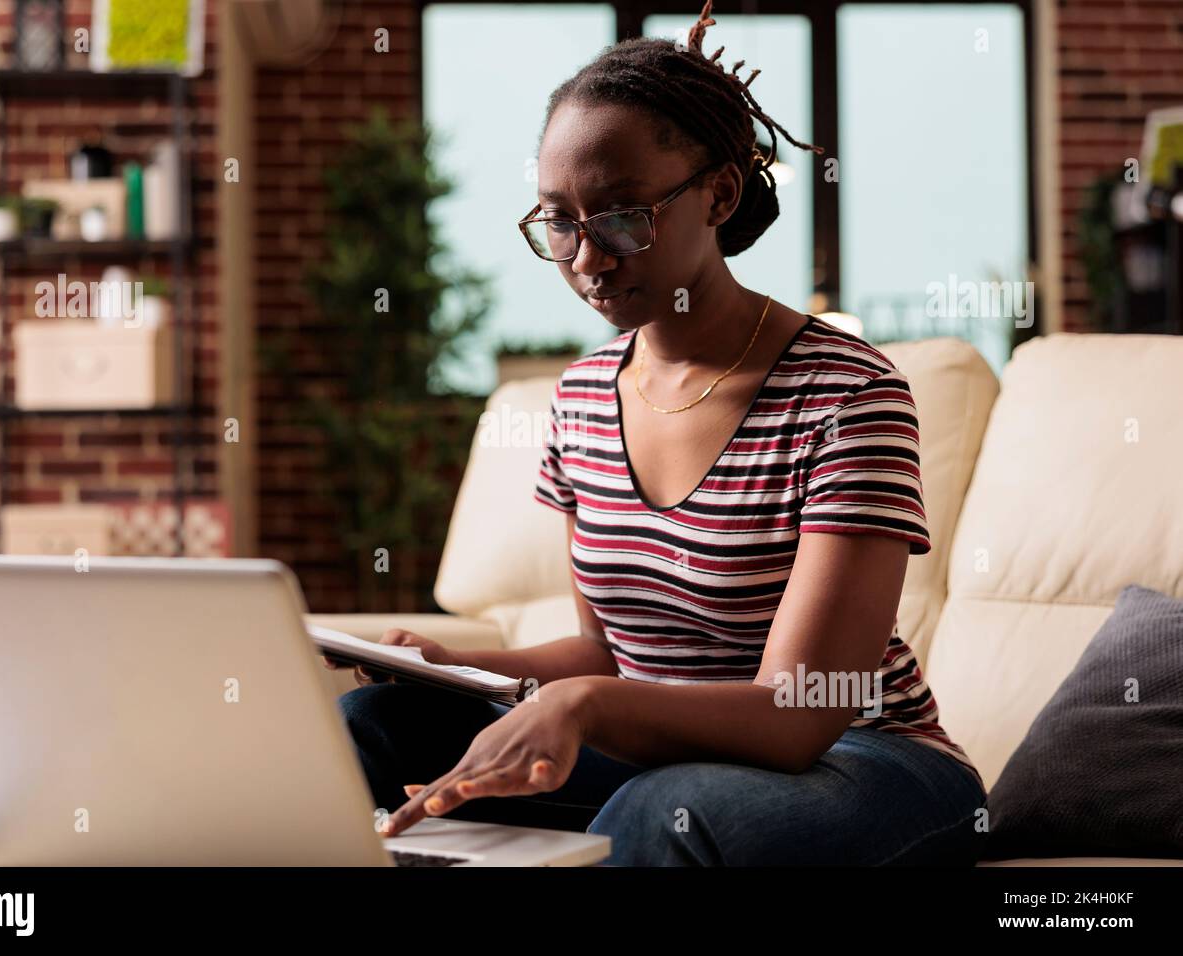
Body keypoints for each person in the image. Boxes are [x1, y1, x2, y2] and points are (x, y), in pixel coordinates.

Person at [326, 1, 986, 866]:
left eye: (622, 215)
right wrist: (452, 661)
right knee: (368, 726)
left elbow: (802, 710)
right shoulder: (584, 395)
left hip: (863, 757)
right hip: (664, 757)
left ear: (719, 192)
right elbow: (605, 649)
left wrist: (590, 706)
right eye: (559, 221)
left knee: (662, 808)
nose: (588, 259)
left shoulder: (846, 393)